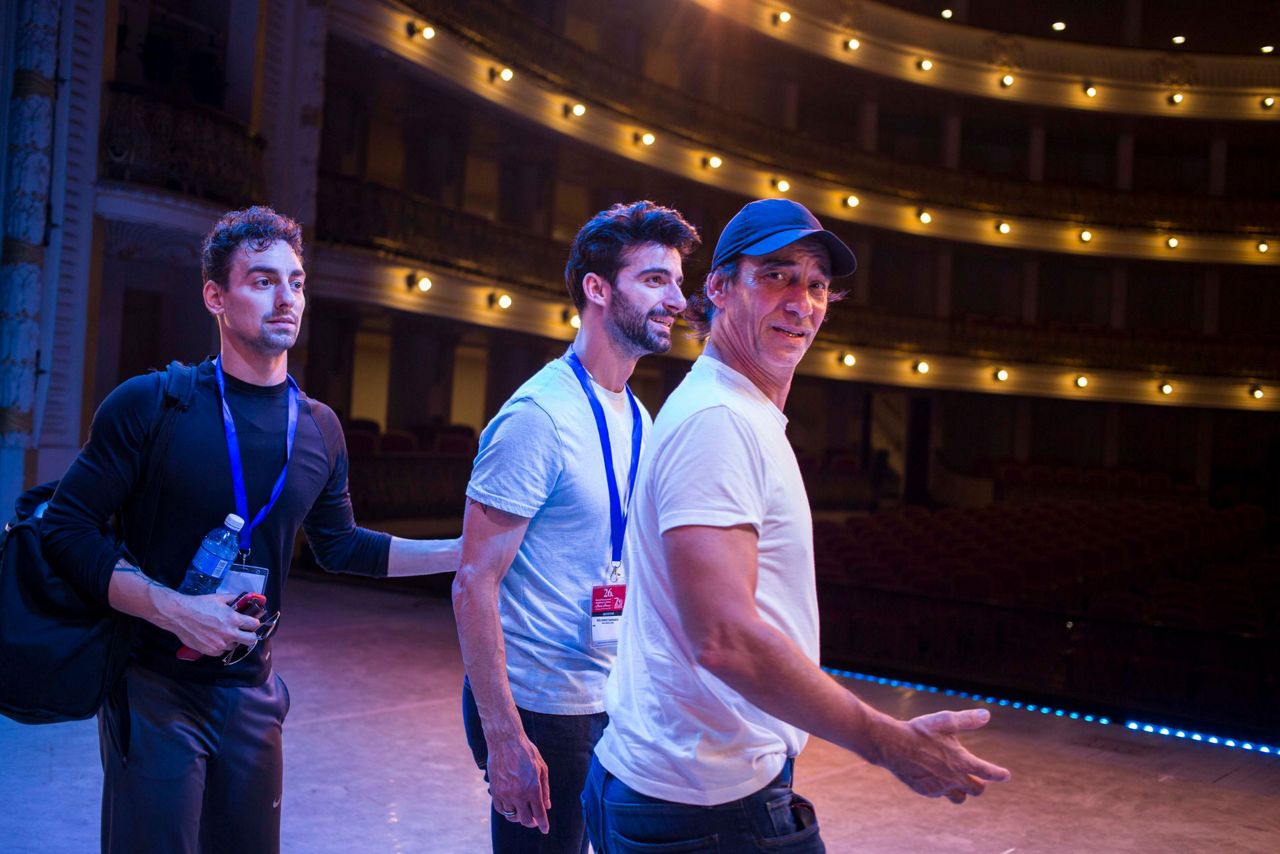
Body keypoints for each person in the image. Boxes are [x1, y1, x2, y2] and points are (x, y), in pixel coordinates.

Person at [585, 199, 1012, 852]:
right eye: (777, 276)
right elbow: (725, 638)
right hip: (704, 807)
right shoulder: (719, 422)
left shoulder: (736, 412)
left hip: (687, 790)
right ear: (721, 289)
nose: (801, 302)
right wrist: (888, 742)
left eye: (816, 285)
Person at [41, 206, 461, 854]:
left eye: (294, 281)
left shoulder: (318, 427)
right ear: (216, 295)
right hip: (153, 686)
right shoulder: (154, 403)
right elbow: (66, 530)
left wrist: (464, 554)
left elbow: (340, 545)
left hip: (252, 690)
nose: (286, 296)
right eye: (263, 280)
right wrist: (174, 609)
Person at [452, 201, 701, 853]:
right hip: (537, 711)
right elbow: (474, 582)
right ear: (597, 288)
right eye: (654, 279)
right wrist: (504, 736)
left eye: (677, 281)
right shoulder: (539, 415)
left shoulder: (640, 416)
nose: (676, 298)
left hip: (608, 703)